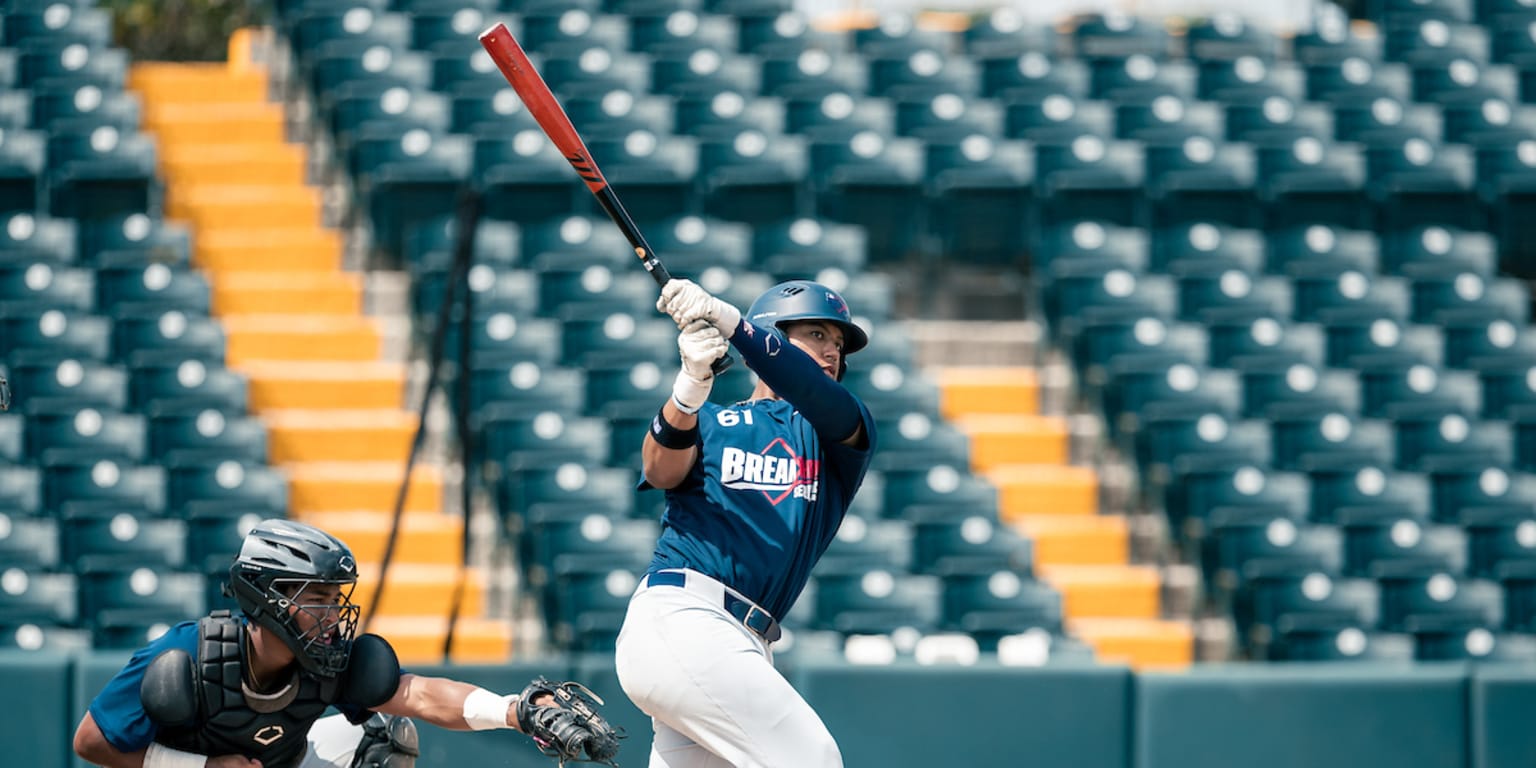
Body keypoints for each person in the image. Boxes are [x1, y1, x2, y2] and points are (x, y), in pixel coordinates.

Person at [73, 518, 618, 768]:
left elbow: (418, 695)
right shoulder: (189, 655)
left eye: (337, 598)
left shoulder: (326, 661)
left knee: (387, 742)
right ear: (270, 595)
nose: (335, 613)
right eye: (320, 597)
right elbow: (92, 741)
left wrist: (515, 711)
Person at [614, 278, 878, 768]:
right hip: (684, 617)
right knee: (811, 759)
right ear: (772, 332)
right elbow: (659, 469)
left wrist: (729, 321)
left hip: (744, 642)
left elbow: (804, 383)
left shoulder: (838, 433)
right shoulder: (711, 420)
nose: (832, 351)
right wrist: (690, 386)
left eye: (838, 343)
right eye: (817, 334)